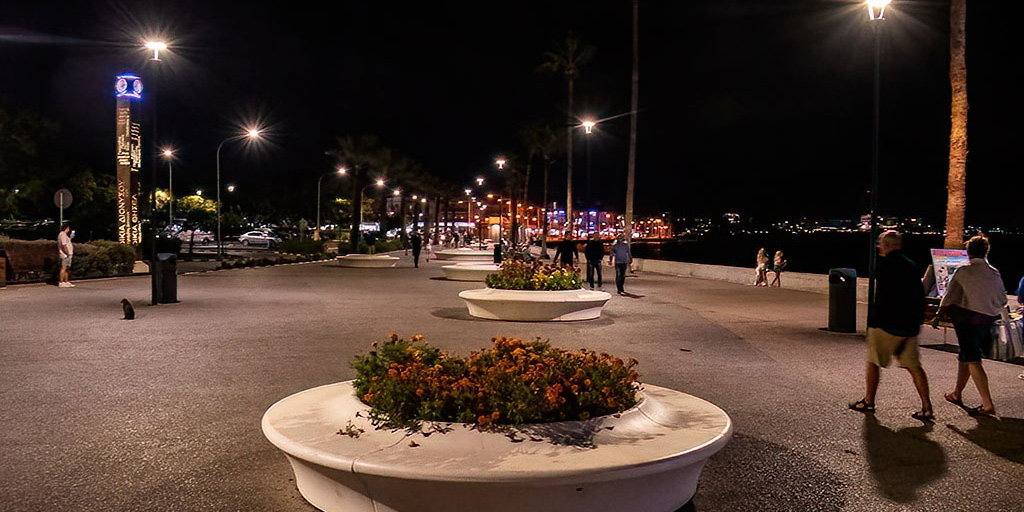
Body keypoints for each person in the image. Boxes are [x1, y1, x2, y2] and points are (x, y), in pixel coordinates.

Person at [849, 231, 932, 420]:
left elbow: (884, 298)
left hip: (886, 325)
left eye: (880, 244)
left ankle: (869, 401)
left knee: (873, 361)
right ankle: (927, 407)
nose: (878, 246)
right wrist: (917, 322)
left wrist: (874, 323)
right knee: (914, 367)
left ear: (886, 245)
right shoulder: (911, 265)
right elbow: (920, 295)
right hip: (909, 327)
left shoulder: (885, 265)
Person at [936, 235, 1007, 416]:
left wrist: (938, 315)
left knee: (973, 359)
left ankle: (987, 404)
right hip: (987, 321)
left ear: (968, 252)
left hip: (967, 322)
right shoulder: (994, 273)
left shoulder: (964, 271)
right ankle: (956, 393)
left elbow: (949, 296)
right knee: (966, 356)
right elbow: (1002, 300)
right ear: (986, 252)